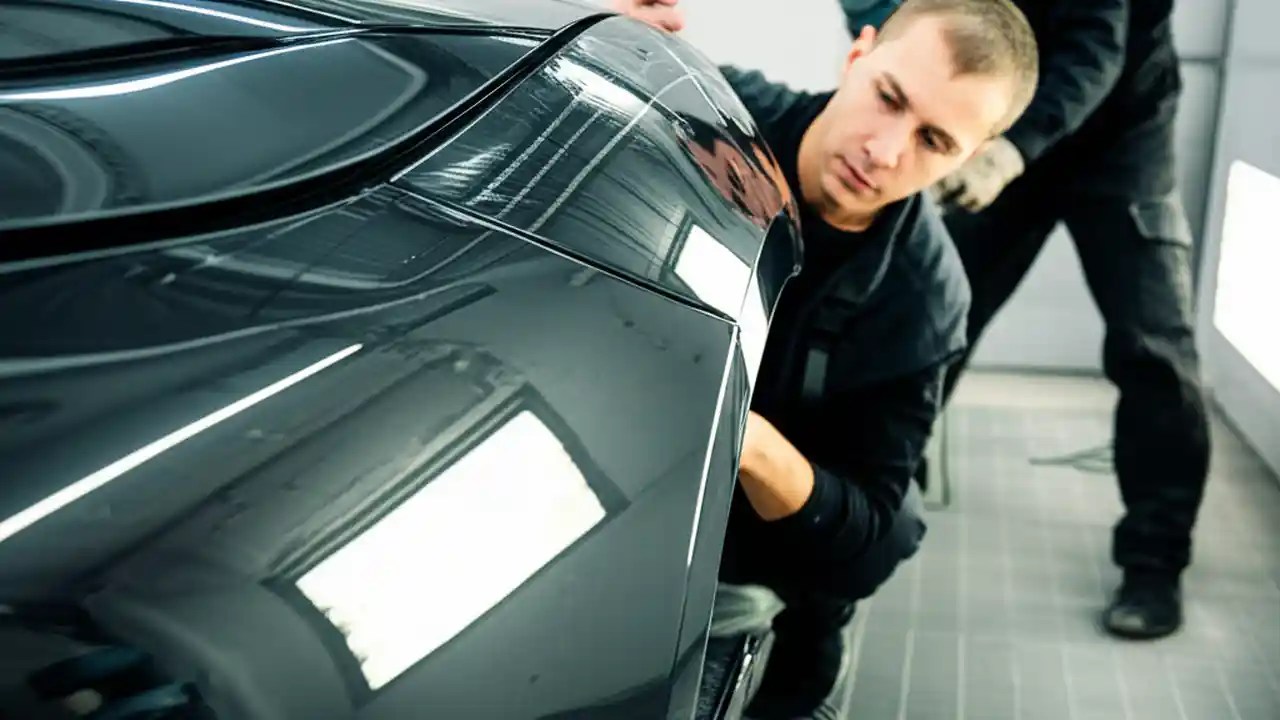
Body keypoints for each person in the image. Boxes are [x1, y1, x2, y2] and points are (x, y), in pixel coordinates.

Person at [613, 1, 1039, 716]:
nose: (884, 150)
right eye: (889, 97)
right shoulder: (708, 111)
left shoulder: (924, 301)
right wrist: (608, 37)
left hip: (739, 584)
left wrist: (746, 442)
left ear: (970, 155)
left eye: (934, 140)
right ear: (858, 56)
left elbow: (869, 542)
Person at [836, 0, 1207, 640]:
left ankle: (1155, 561)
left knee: (1152, 343)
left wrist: (1012, 151)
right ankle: (883, 472)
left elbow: (1096, 42)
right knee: (934, 307)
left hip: (1120, 131)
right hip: (998, 114)